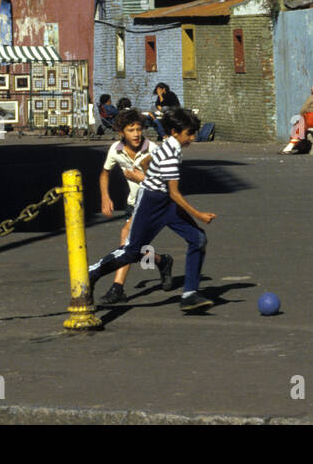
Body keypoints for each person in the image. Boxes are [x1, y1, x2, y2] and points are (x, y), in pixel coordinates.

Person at [88, 108, 218, 312]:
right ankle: (92, 273)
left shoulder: (166, 147)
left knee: (198, 239)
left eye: (193, 133)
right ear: (175, 132)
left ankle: (189, 294)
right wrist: (198, 214)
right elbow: (174, 193)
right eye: (189, 133)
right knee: (132, 250)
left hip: (165, 202)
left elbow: (146, 161)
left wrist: (150, 176)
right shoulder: (169, 154)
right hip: (151, 202)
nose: (193, 137)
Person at [96, 108, 174, 305]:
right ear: (122, 132)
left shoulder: (154, 150)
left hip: (154, 203)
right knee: (133, 246)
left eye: (139, 129)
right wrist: (105, 196)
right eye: (131, 130)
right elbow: (105, 173)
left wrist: (143, 178)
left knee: (126, 236)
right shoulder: (115, 150)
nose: (137, 134)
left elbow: (168, 184)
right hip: (134, 204)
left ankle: (117, 288)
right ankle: (161, 261)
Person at [281, 82, 313, 154]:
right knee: (304, 128)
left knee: (298, 128)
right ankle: (304, 146)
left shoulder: (311, 97)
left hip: (311, 118)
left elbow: (303, 110)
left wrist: (301, 117)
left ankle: (289, 147)